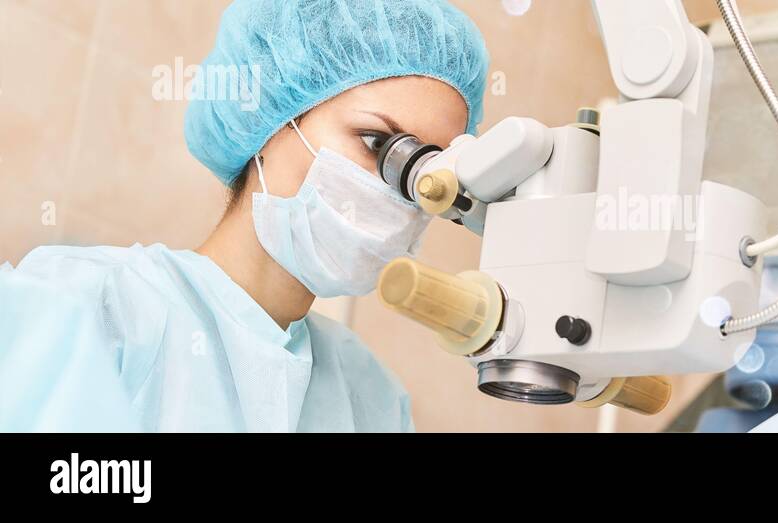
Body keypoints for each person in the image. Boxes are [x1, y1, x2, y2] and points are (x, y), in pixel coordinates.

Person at [0, 0, 489, 432]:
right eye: (376, 143)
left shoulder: (371, 400)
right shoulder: (89, 309)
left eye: (426, 170)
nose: (395, 191)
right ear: (275, 118)